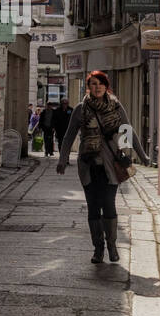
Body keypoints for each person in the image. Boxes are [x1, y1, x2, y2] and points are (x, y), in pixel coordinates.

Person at [56, 71, 145, 263]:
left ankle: (112, 246)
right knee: (93, 207)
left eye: (100, 84)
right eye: (93, 84)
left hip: (111, 165)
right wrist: (62, 159)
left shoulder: (115, 106)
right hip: (88, 164)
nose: (96, 87)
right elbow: (69, 135)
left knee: (109, 204)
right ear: (89, 87)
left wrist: (141, 154)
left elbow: (128, 132)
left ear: (106, 86)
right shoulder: (81, 108)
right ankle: (98, 249)